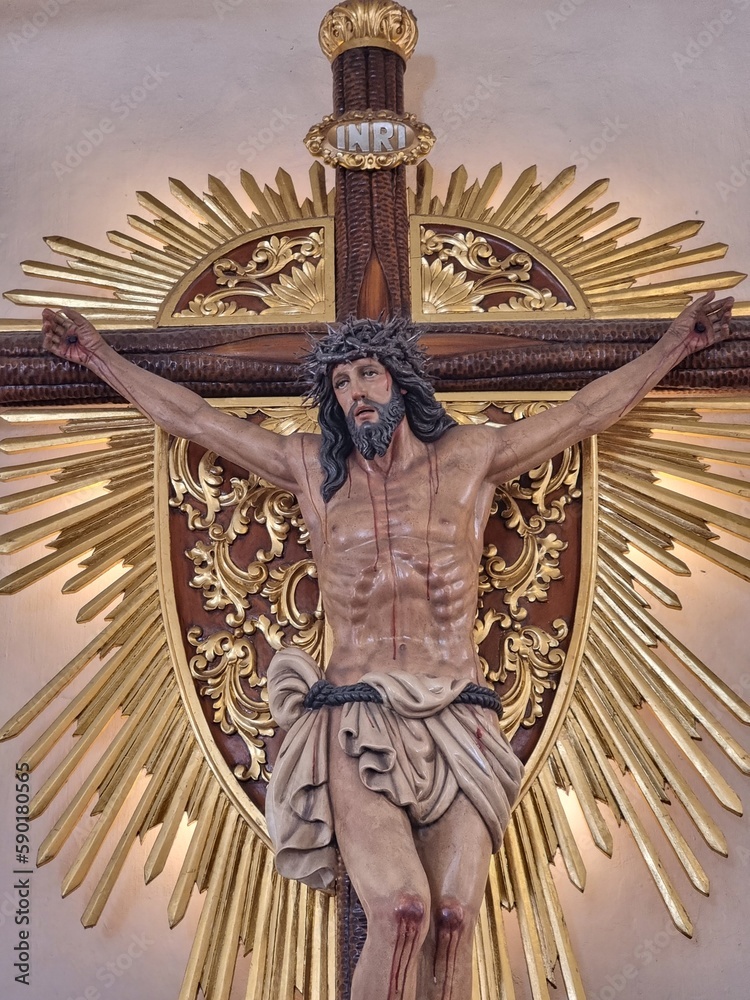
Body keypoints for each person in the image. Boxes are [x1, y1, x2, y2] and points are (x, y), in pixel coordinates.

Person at [41, 292, 733, 1000]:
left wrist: (674, 348)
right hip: (356, 715)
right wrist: (97, 356)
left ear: (401, 381)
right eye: (341, 384)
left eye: (367, 375)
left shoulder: (472, 458)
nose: (355, 394)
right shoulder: (311, 471)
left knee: (457, 918)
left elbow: (586, 412)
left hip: (461, 713)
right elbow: (194, 418)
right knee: (401, 912)